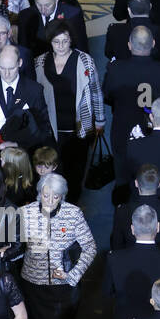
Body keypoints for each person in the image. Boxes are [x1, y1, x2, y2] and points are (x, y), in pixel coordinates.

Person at [18, 172, 96, 319]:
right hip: (34, 288)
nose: (49, 200)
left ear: (62, 197)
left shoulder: (73, 214)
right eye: (45, 194)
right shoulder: (25, 212)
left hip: (63, 292)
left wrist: (72, 276)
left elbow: (90, 247)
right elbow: (12, 245)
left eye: (55, 196)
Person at [33, 22, 104, 200]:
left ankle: (72, 206)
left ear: (71, 40)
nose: (61, 46)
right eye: (57, 42)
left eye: (65, 41)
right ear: (50, 42)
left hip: (79, 129)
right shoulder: (40, 63)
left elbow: (96, 92)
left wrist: (100, 120)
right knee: (52, 171)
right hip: (51, 129)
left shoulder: (85, 60)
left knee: (75, 172)